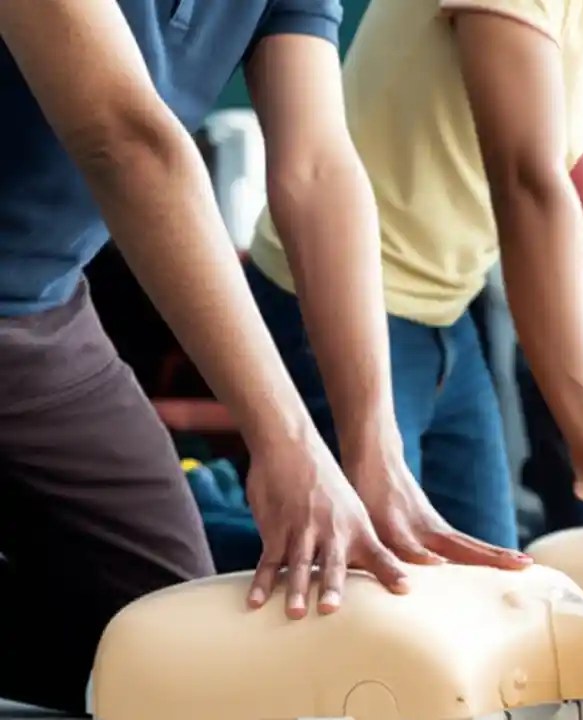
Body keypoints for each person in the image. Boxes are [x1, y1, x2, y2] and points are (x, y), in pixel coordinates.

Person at [0, 1, 529, 714]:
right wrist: (285, 439)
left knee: (172, 643)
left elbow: (317, 170)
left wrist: (373, 452)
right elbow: (125, 139)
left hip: (38, 311)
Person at [247, 0, 583, 550]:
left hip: (450, 312)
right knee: (367, 592)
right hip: (336, 300)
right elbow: (526, 182)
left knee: (494, 584)